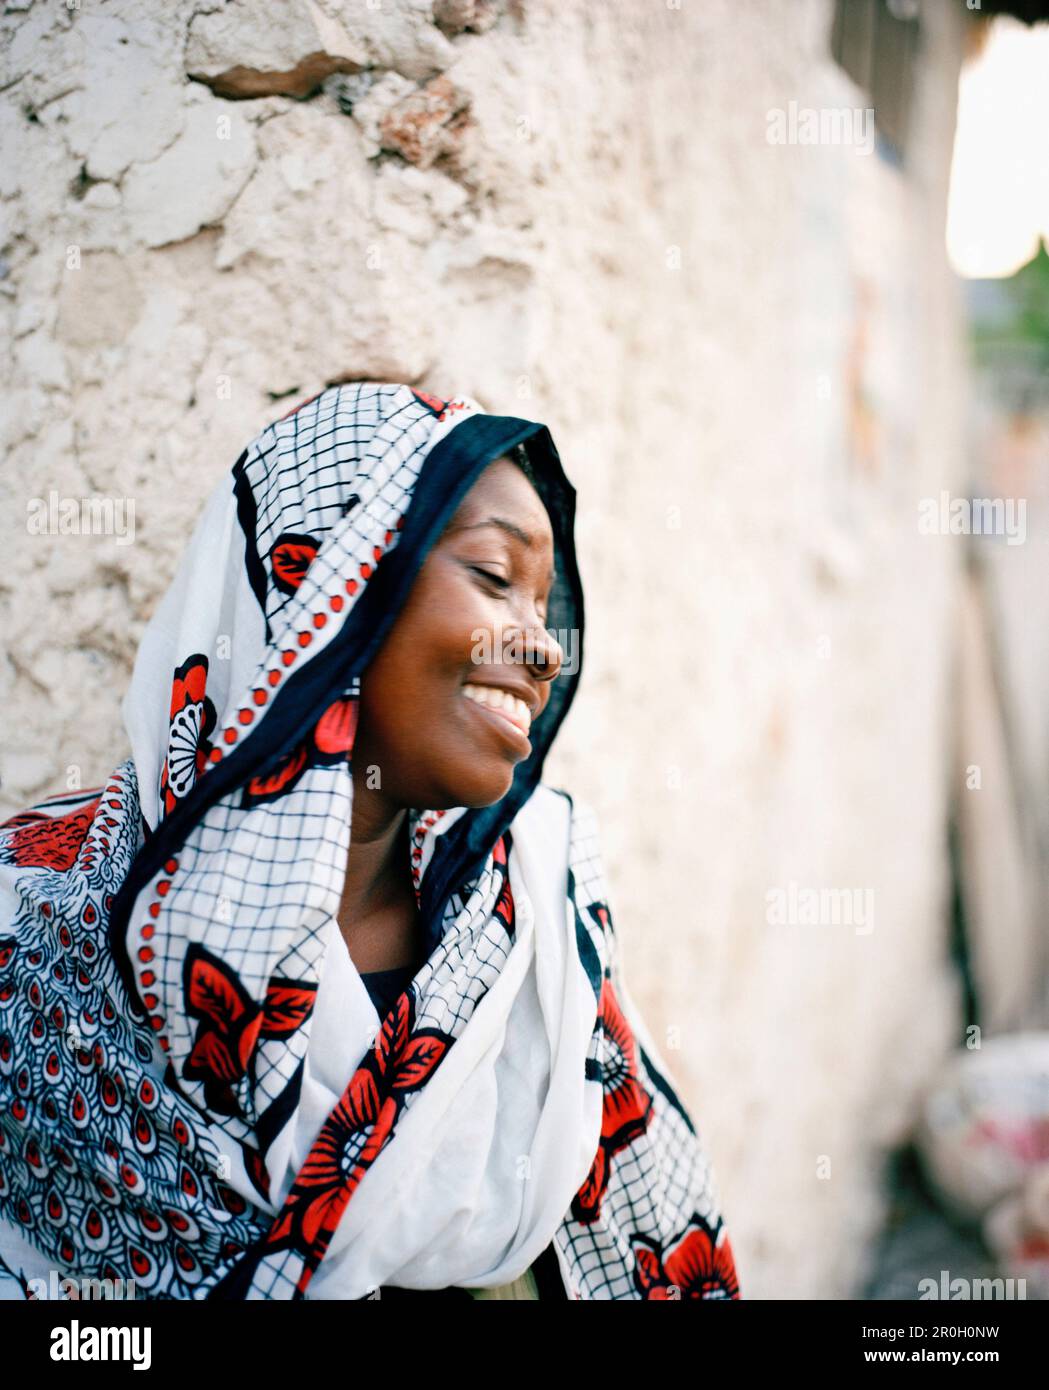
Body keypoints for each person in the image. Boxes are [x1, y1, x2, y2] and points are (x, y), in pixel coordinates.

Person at [0, 382, 741, 1300]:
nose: (543, 647)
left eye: (544, 603)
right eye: (492, 575)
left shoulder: (533, 925)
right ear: (329, 584)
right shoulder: (33, 920)